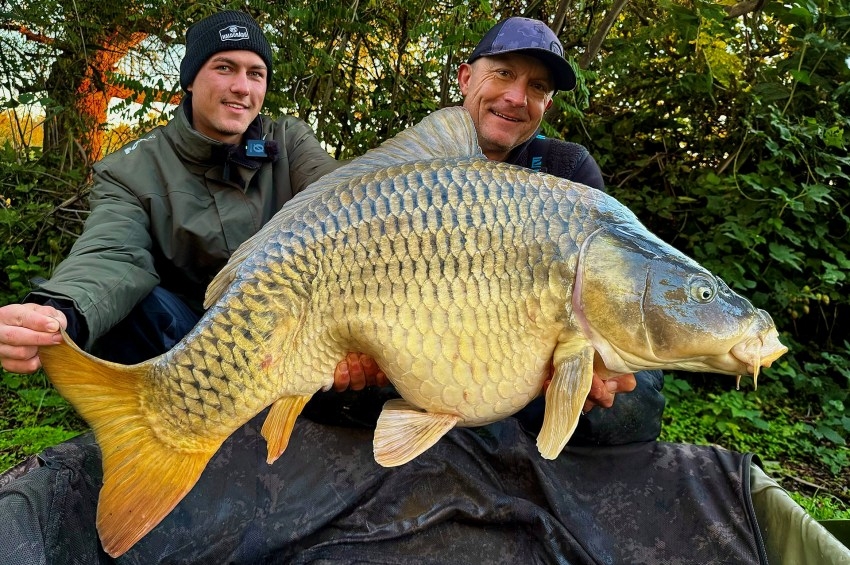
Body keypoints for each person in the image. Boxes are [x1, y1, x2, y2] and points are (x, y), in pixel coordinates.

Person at [1, 13, 846, 565]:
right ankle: (173, 423)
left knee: (632, 396)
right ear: (465, 79)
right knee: (155, 327)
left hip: (472, 373)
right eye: (504, 77)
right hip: (288, 337)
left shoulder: (569, 179)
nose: (518, 97)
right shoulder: (139, 168)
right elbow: (129, 252)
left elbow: (325, 201)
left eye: (538, 87)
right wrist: (62, 308)